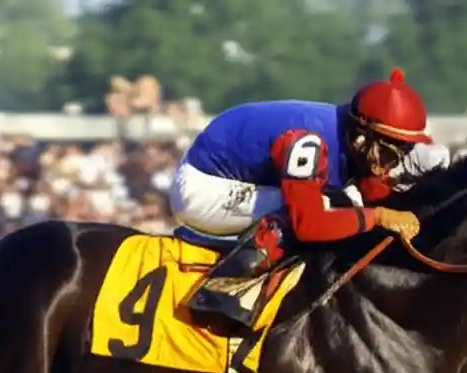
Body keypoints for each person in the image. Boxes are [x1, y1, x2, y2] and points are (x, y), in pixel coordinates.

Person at [169, 68, 450, 326]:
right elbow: (309, 224)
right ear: (361, 136)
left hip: (243, 175)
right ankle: (221, 290)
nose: (388, 166)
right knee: (328, 209)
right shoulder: (309, 142)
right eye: (389, 155)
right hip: (203, 186)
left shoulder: (350, 135)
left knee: (347, 203)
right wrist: (376, 217)